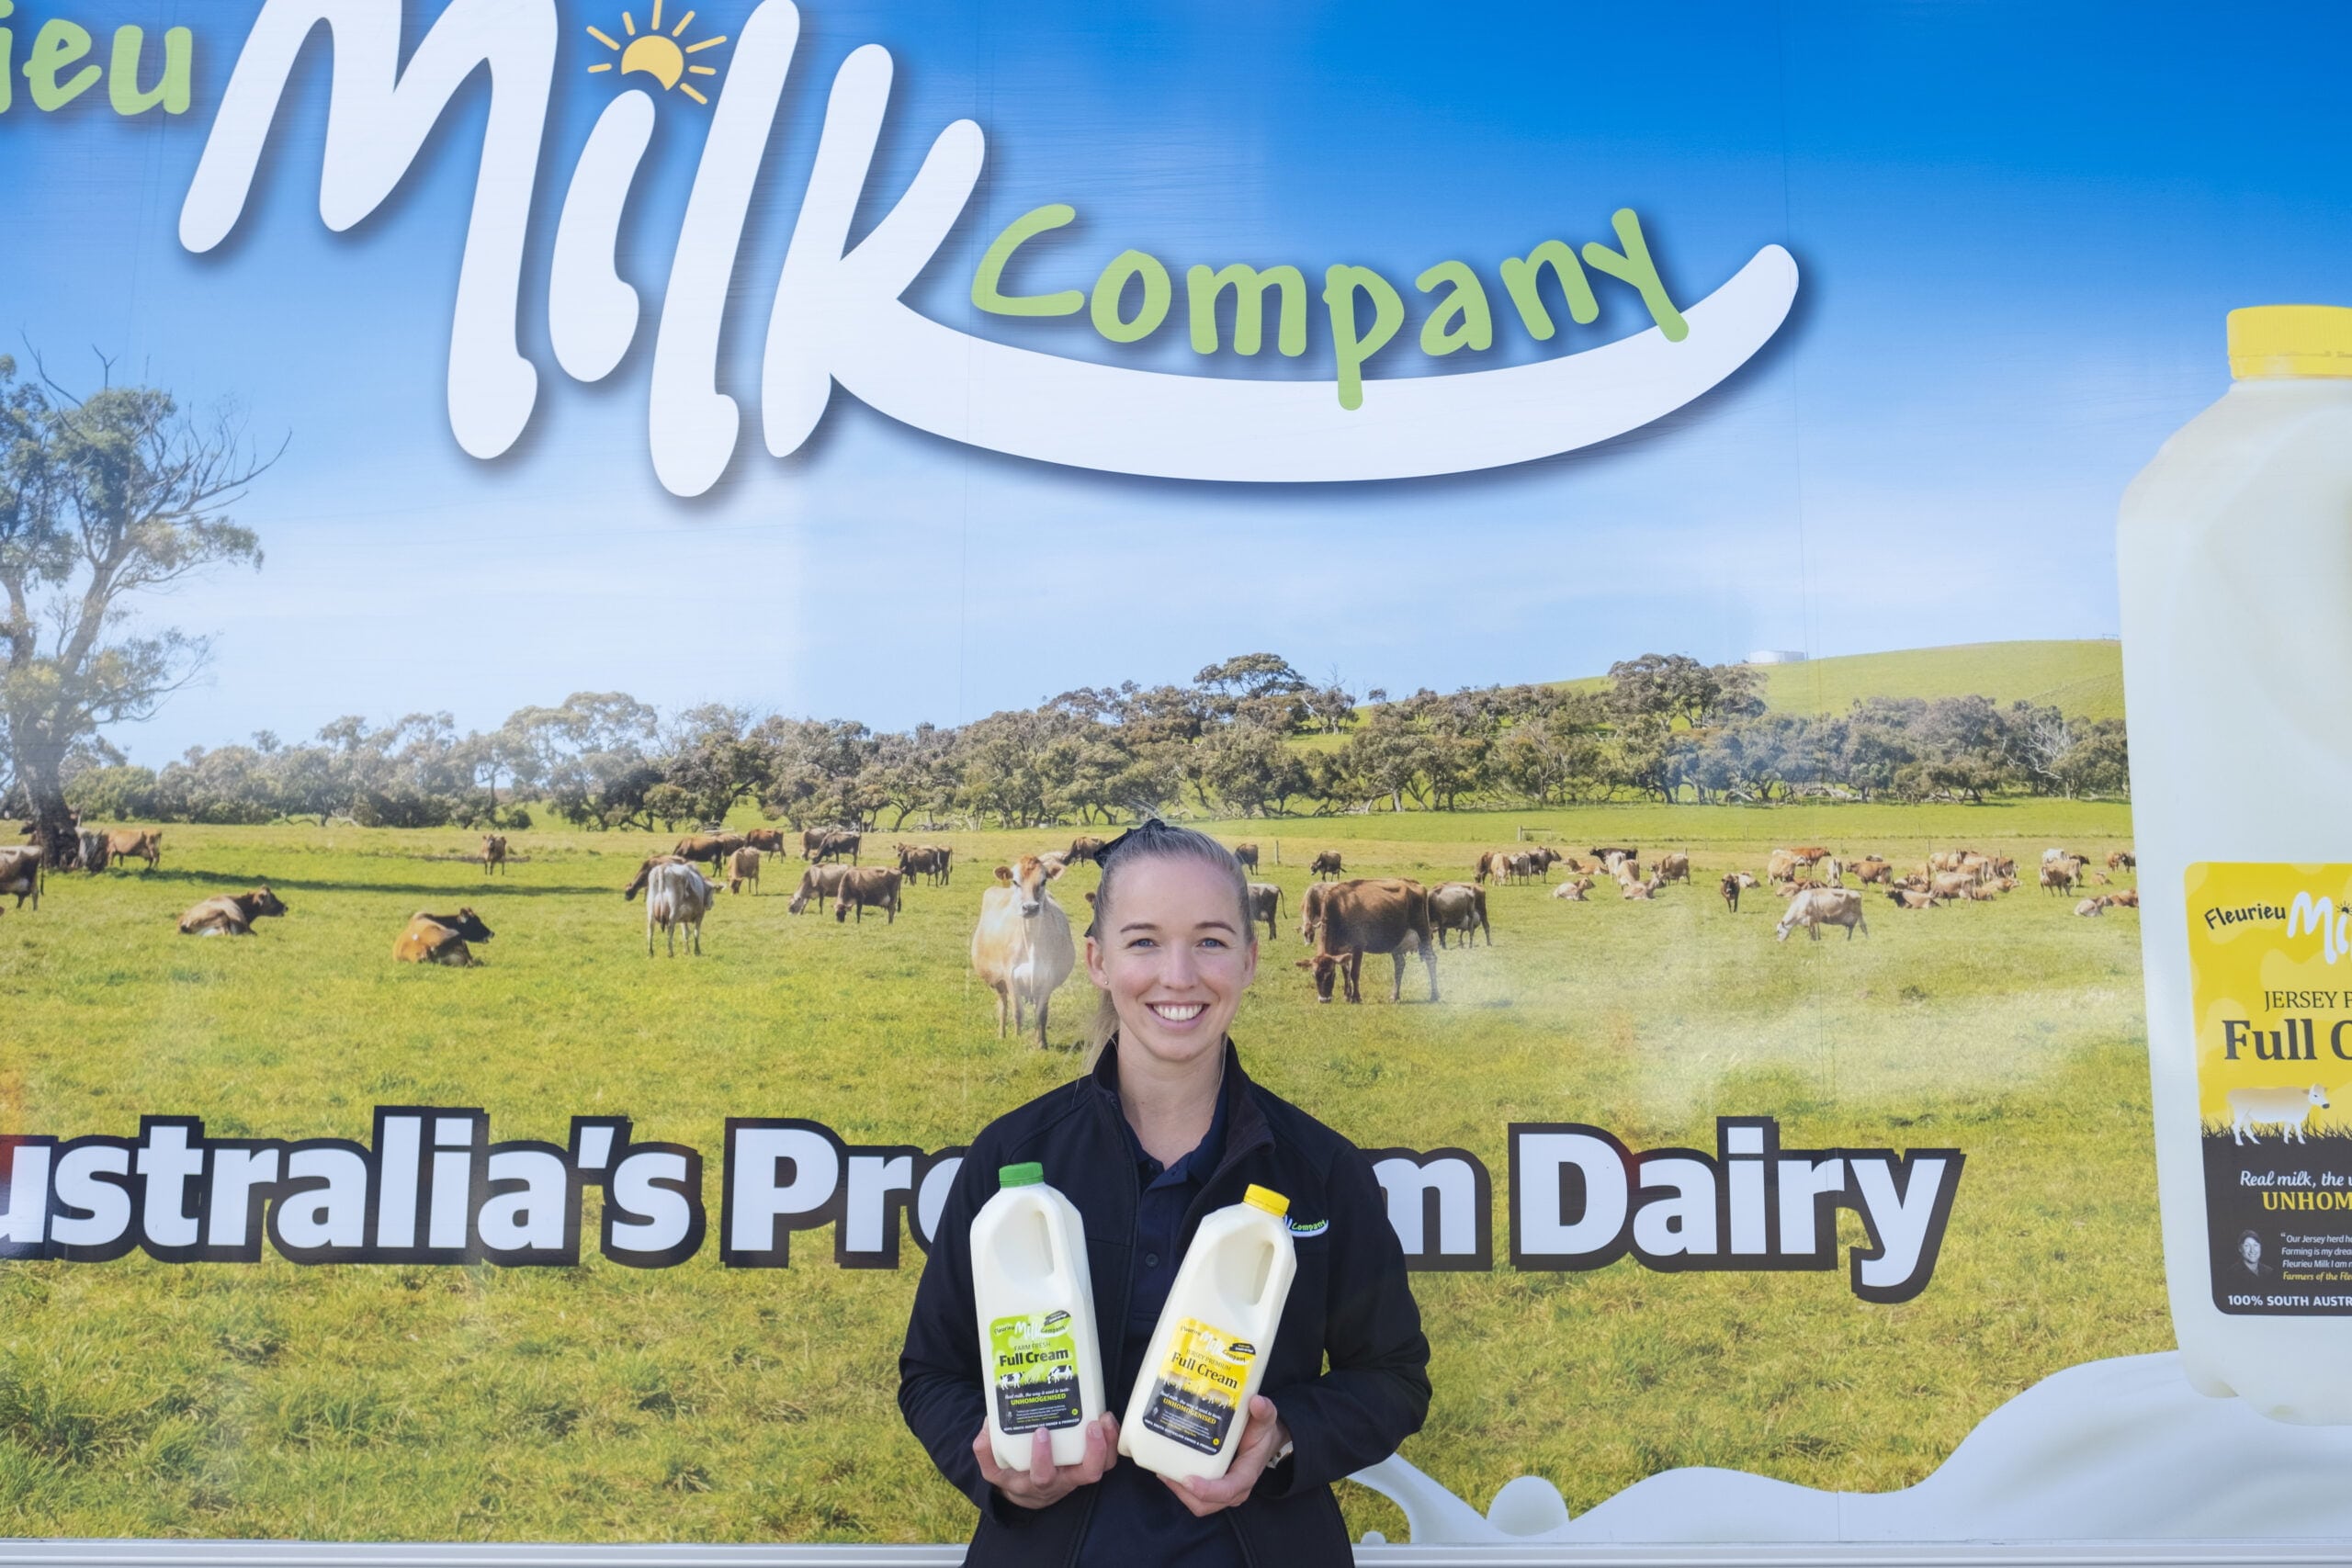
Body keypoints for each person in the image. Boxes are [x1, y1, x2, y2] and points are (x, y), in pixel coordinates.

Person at [899, 821, 1430, 1566]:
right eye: (1144, 941)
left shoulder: (1320, 1170)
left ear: (1249, 960)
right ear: (1096, 960)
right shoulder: (1013, 1158)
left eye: (1211, 941)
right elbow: (932, 1372)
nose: (1178, 975)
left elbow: (1395, 1377)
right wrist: (1000, 1471)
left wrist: (1280, 1437)